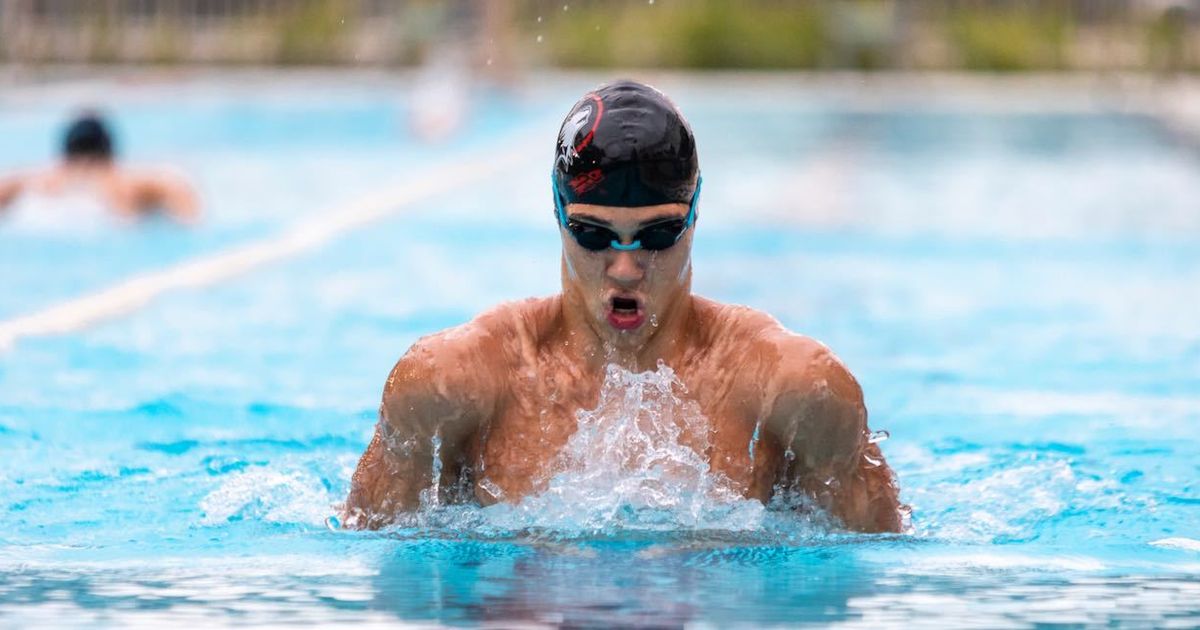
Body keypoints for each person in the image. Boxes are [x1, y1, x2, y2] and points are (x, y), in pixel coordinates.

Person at [343, 80, 903, 533]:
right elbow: (376, 568)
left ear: (695, 210)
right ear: (558, 213)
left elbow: (877, 572)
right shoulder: (452, 382)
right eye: (594, 234)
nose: (626, 267)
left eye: (658, 234)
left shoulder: (791, 388)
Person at [0, 113, 199, 226]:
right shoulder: (126, 182)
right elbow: (189, 208)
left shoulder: (38, 181)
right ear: (111, 154)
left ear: (64, 156)